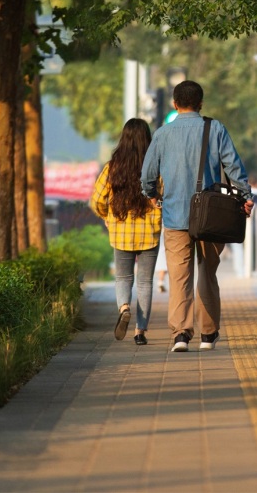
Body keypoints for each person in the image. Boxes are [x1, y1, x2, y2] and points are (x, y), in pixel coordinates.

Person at [141, 80, 254, 353]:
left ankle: (181, 334)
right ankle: (208, 333)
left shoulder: (162, 134)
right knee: (207, 273)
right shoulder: (215, 129)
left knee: (179, 277)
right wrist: (245, 196)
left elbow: (147, 176)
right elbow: (234, 167)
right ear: (201, 103)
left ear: (174, 103)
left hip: (175, 216)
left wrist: (152, 195)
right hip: (211, 217)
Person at [91, 118, 161, 346]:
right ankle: (140, 331)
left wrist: (107, 217)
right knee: (145, 282)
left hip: (120, 230)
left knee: (123, 277)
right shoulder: (156, 167)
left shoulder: (112, 168)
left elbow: (97, 200)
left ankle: (124, 308)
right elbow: (163, 198)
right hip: (149, 231)